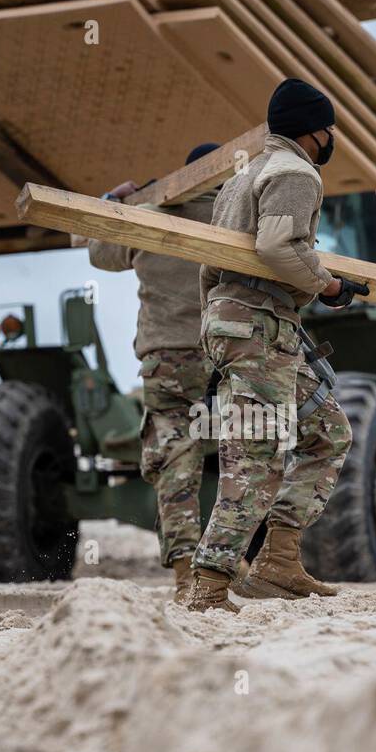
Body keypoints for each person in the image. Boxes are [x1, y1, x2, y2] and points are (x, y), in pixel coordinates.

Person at [185, 78, 364, 613]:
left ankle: (279, 562)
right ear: (312, 131)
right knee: (255, 458)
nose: (331, 137)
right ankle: (210, 586)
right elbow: (276, 246)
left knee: (328, 433)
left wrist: (219, 322)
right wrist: (327, 285)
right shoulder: (294, 172)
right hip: (258, 329)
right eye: (328, 127)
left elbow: (213, 265)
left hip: (254, 325)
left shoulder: (243, 177)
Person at [82, 142, 222, 602]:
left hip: (166, 358)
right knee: (249, 458)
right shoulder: (234, 214)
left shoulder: (150, 215)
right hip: (227, 354)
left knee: (175, 463)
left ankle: (185, 573)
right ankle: (233, 562)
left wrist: (113, 202)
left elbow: (97, 249)